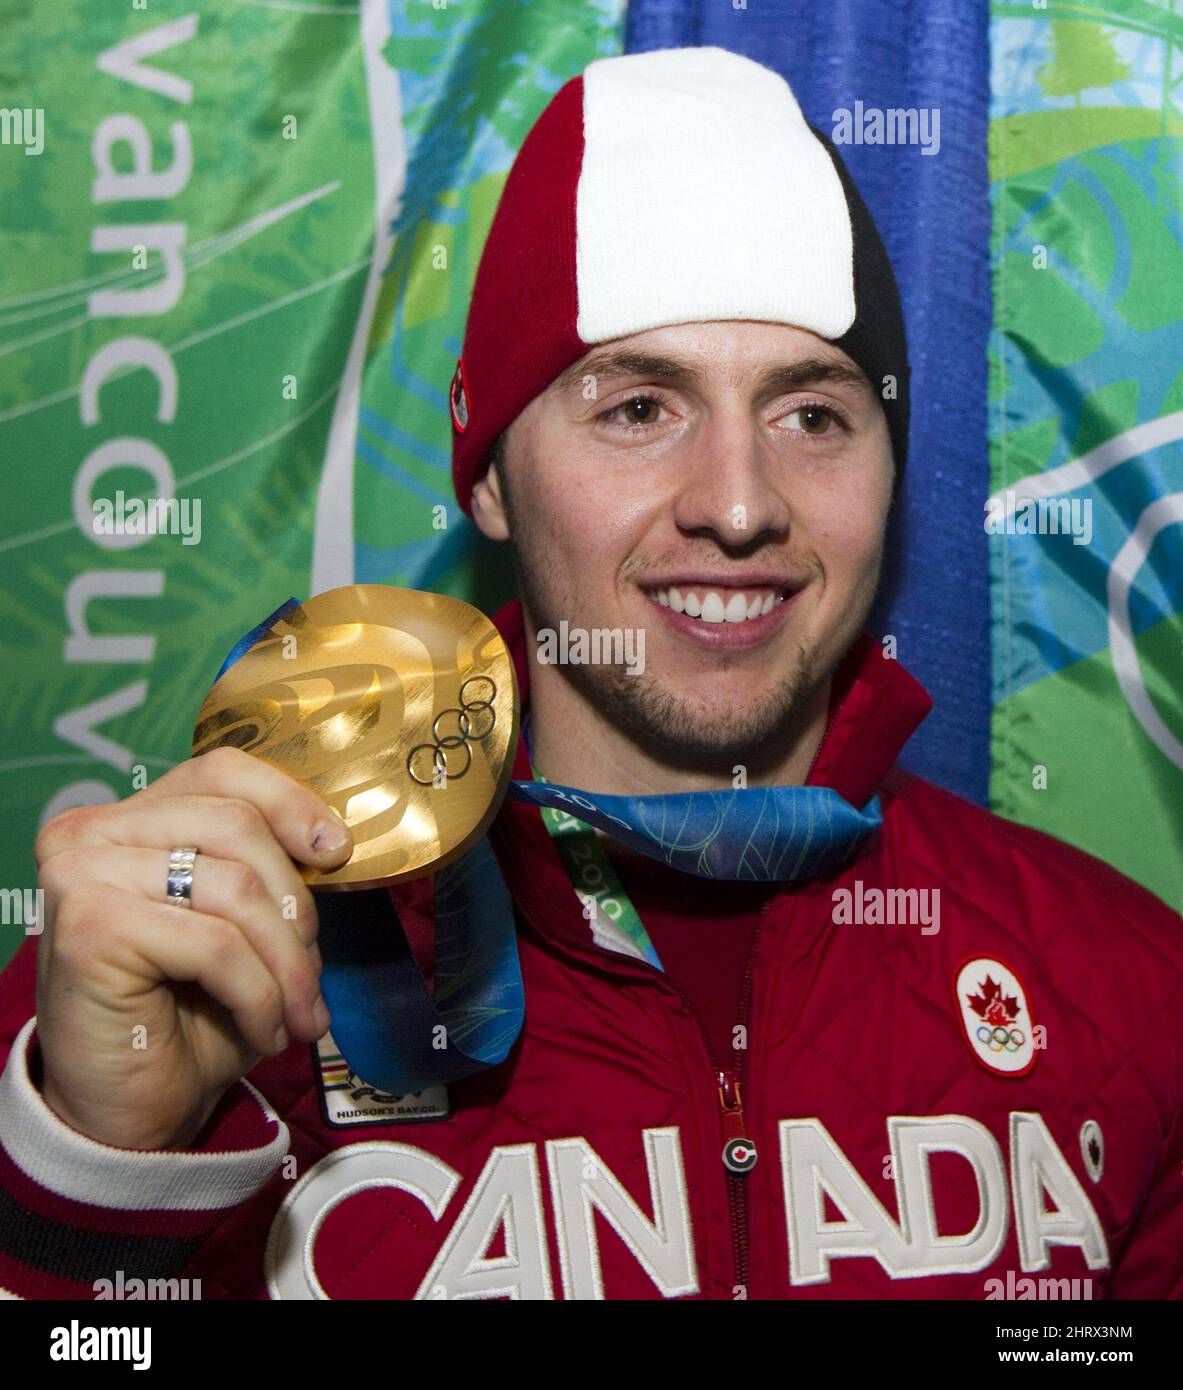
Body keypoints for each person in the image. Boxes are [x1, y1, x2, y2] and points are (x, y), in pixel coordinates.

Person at [2, 45, 1180, 1302]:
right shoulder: (198, 966)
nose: (737, 505)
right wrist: (104, 1177)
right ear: (492, 480)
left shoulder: (1125, 986)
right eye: (638, 409)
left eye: (811, 415)